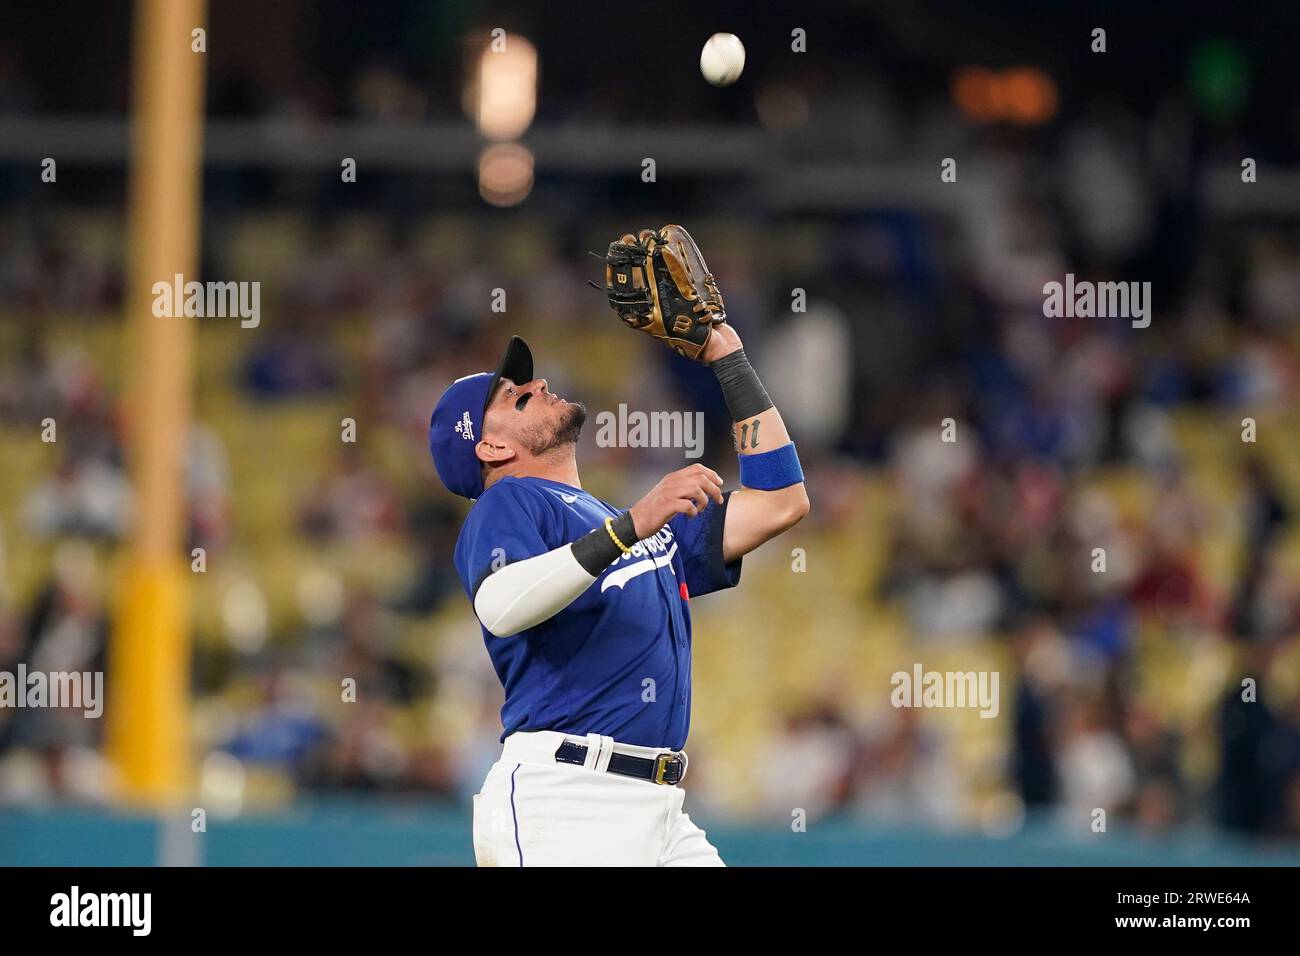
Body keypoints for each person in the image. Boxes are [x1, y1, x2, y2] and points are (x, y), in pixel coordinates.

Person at [427, 257, 809, 865]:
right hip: (567, 798)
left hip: (658, 805)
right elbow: (499, 607)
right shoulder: (510, 505)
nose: (536, 384)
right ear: (492, 445)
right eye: (512, 394)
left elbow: (780, 502)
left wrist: (726, 355)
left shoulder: (619, 522)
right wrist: (633, 522)